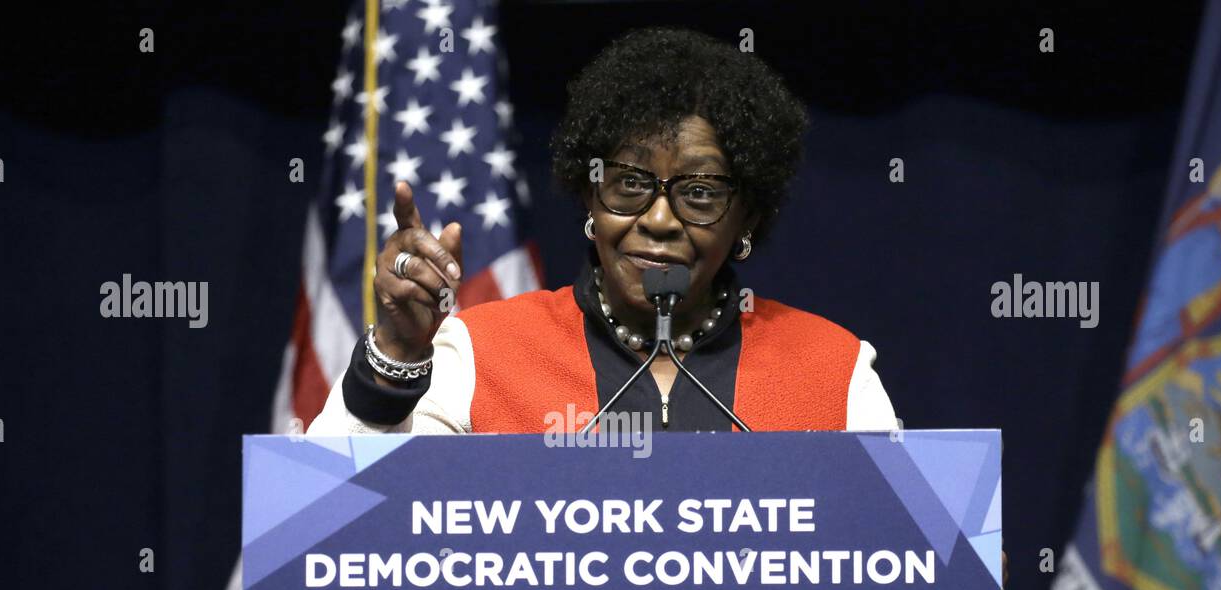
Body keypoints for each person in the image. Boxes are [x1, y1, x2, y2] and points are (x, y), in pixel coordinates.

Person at [307, 26, 898, 438]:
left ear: (748, 217)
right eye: (629, 186)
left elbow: (920, 559)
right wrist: (397, 354)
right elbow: (334, 530)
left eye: (699, 194)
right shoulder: (480, 353)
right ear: (590, 195)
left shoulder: (832, 370)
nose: (660, 220)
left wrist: (960, 564)